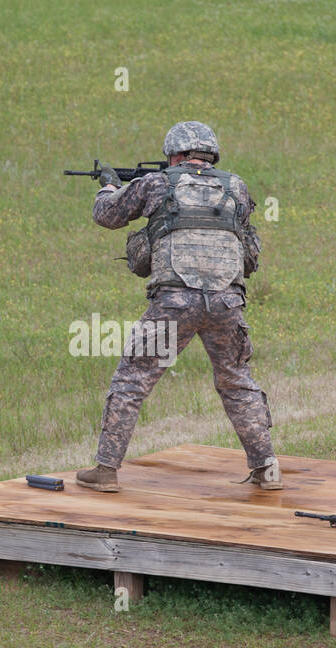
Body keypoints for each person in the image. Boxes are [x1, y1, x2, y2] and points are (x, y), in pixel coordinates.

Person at [75, 121, 281, 493]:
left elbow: (107, 215)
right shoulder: (235, 185)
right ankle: (267, 469)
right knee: (237, 382)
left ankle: (105, 471)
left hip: (174, 302)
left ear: (176, 154)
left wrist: (108, 185)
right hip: (227, 301)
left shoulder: (157, 183)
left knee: (132, 380)